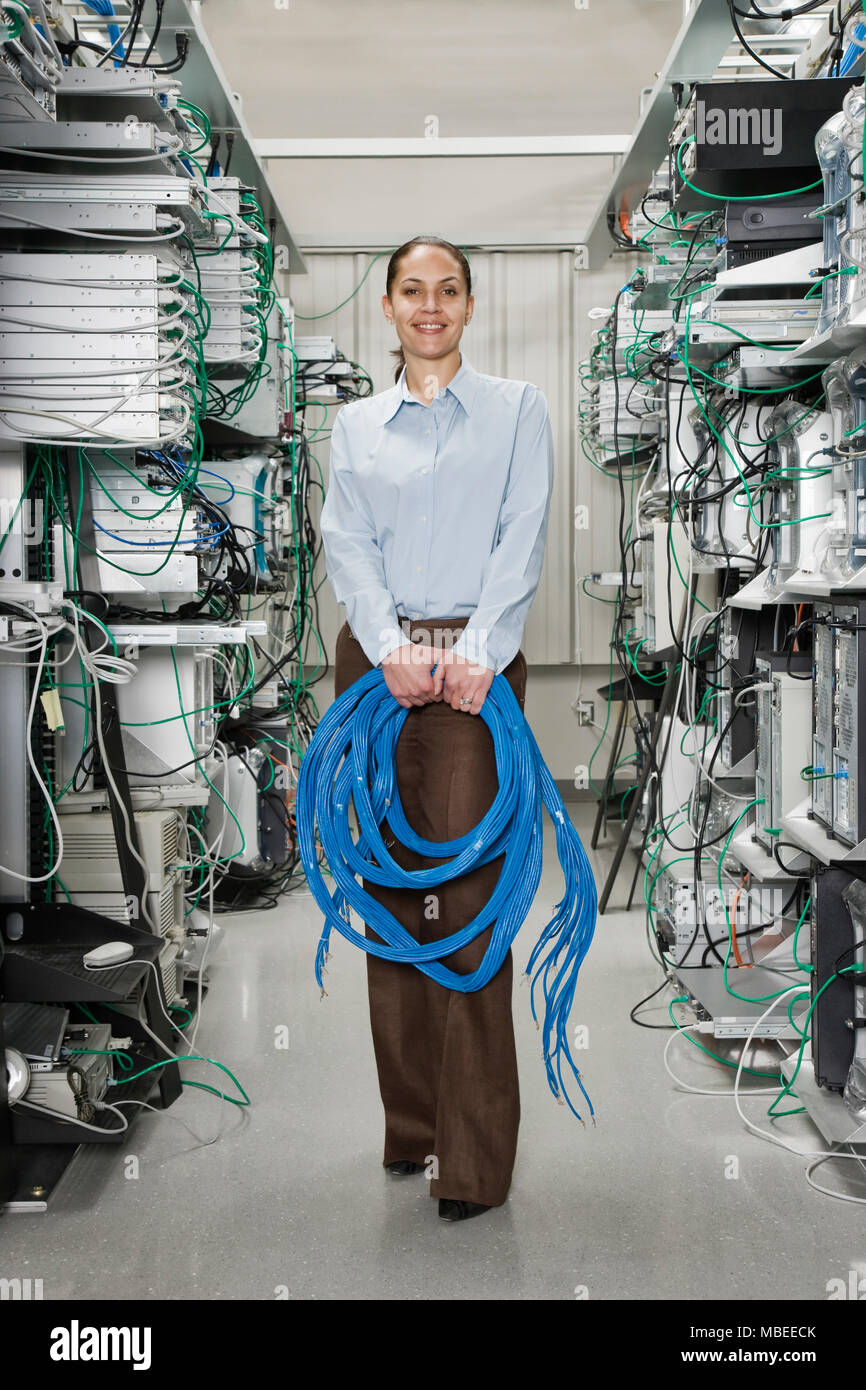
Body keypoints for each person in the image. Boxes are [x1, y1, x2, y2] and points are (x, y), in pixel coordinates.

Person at [319, 234, 554, 1221]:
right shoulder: (355, 426)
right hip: (377, 673)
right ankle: (411, 1124)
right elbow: (347, 541)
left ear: (468, 304)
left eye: (446, 290)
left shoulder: (517, 411)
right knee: (389, 898)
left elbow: (520, 534)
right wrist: (387, 647)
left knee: (462, 908)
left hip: (473, 675)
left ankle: (472, 1161)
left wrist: (477, 652)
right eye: (411, 290)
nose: (429, 306)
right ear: (387, 307)